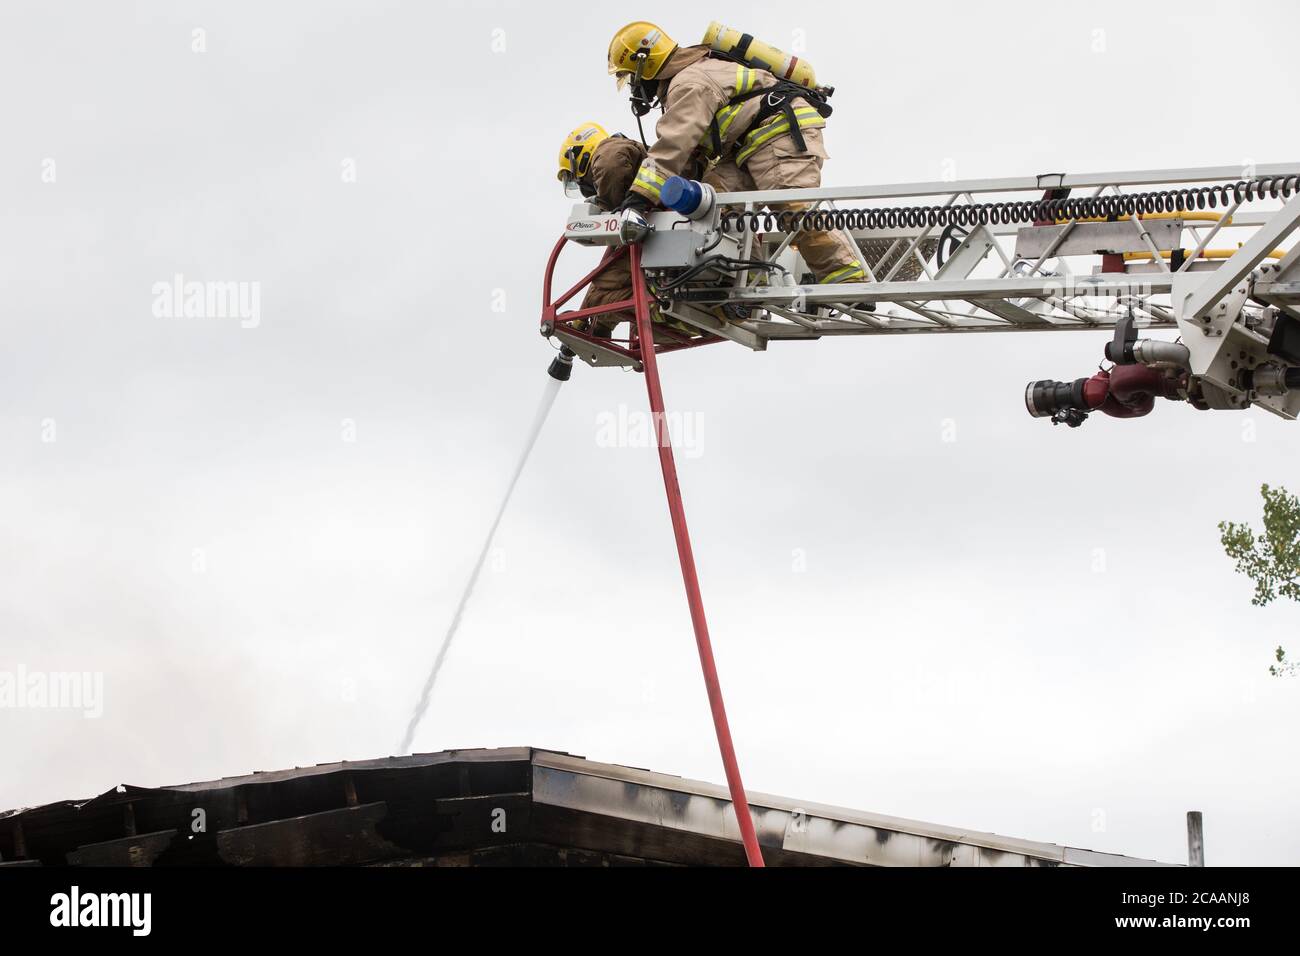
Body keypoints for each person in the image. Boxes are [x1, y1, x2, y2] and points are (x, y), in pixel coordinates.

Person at [607, 20, 866, 287]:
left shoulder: (688, 83)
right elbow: (691, 154)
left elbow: (674, 145)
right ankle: (751, 281)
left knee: (790, 205)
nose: (633, 87)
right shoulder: (693, 74)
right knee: (714, 205)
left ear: (644, 65)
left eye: (630, 78)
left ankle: (848, 280)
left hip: (777, 132)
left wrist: (638, 200)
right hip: (749, 146)